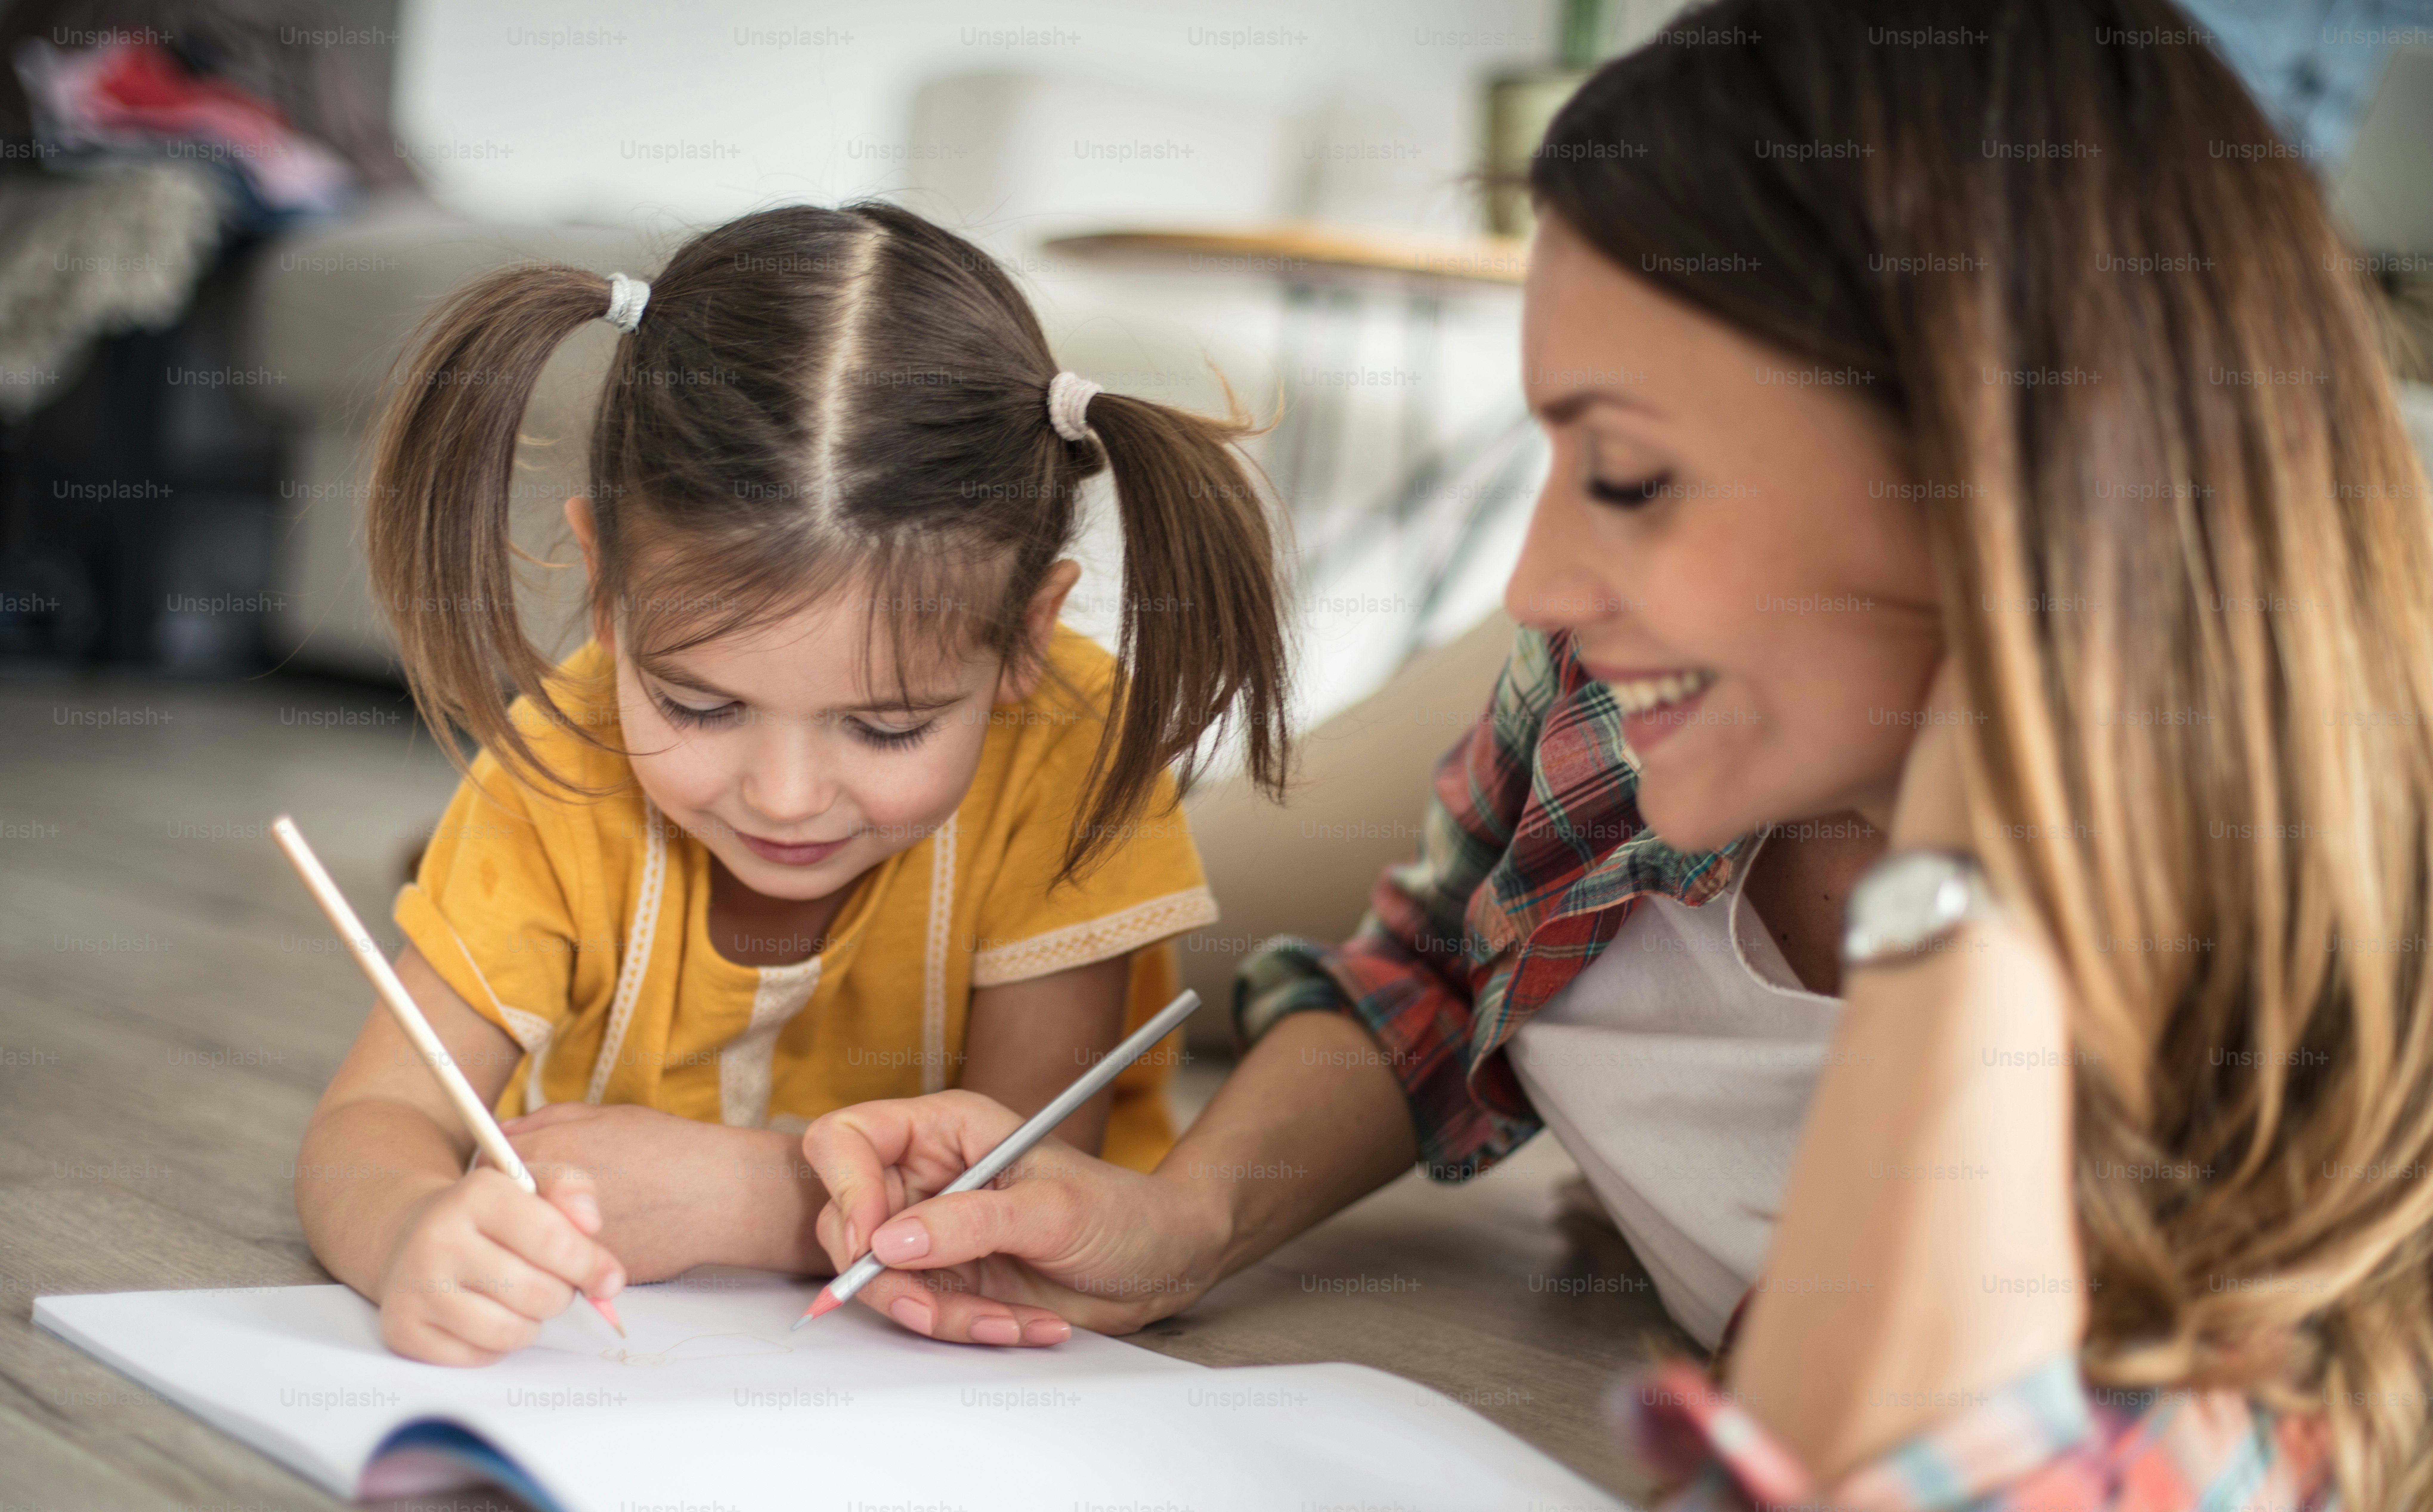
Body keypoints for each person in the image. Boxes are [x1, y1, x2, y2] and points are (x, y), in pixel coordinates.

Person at [796, 2, 2433, 1506]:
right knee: (1172, 895)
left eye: (1633, 476)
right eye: (1558, 456)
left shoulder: (2296, 1007)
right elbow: (1434, 963)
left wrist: (1961, 885)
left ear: (2001, 480)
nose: (1535, 585)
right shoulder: (1591, 691)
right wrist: (1182, 1220)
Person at [291, 202, 1291, 1366]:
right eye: (702, 707)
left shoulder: (1069, 748)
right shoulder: (560, 763)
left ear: (1024, 638)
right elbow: (368, 1124)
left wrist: (741, 1193)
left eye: (884, 724)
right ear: (608, 592)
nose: (784, 794)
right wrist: (416, 1228)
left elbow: (1008, 1184)